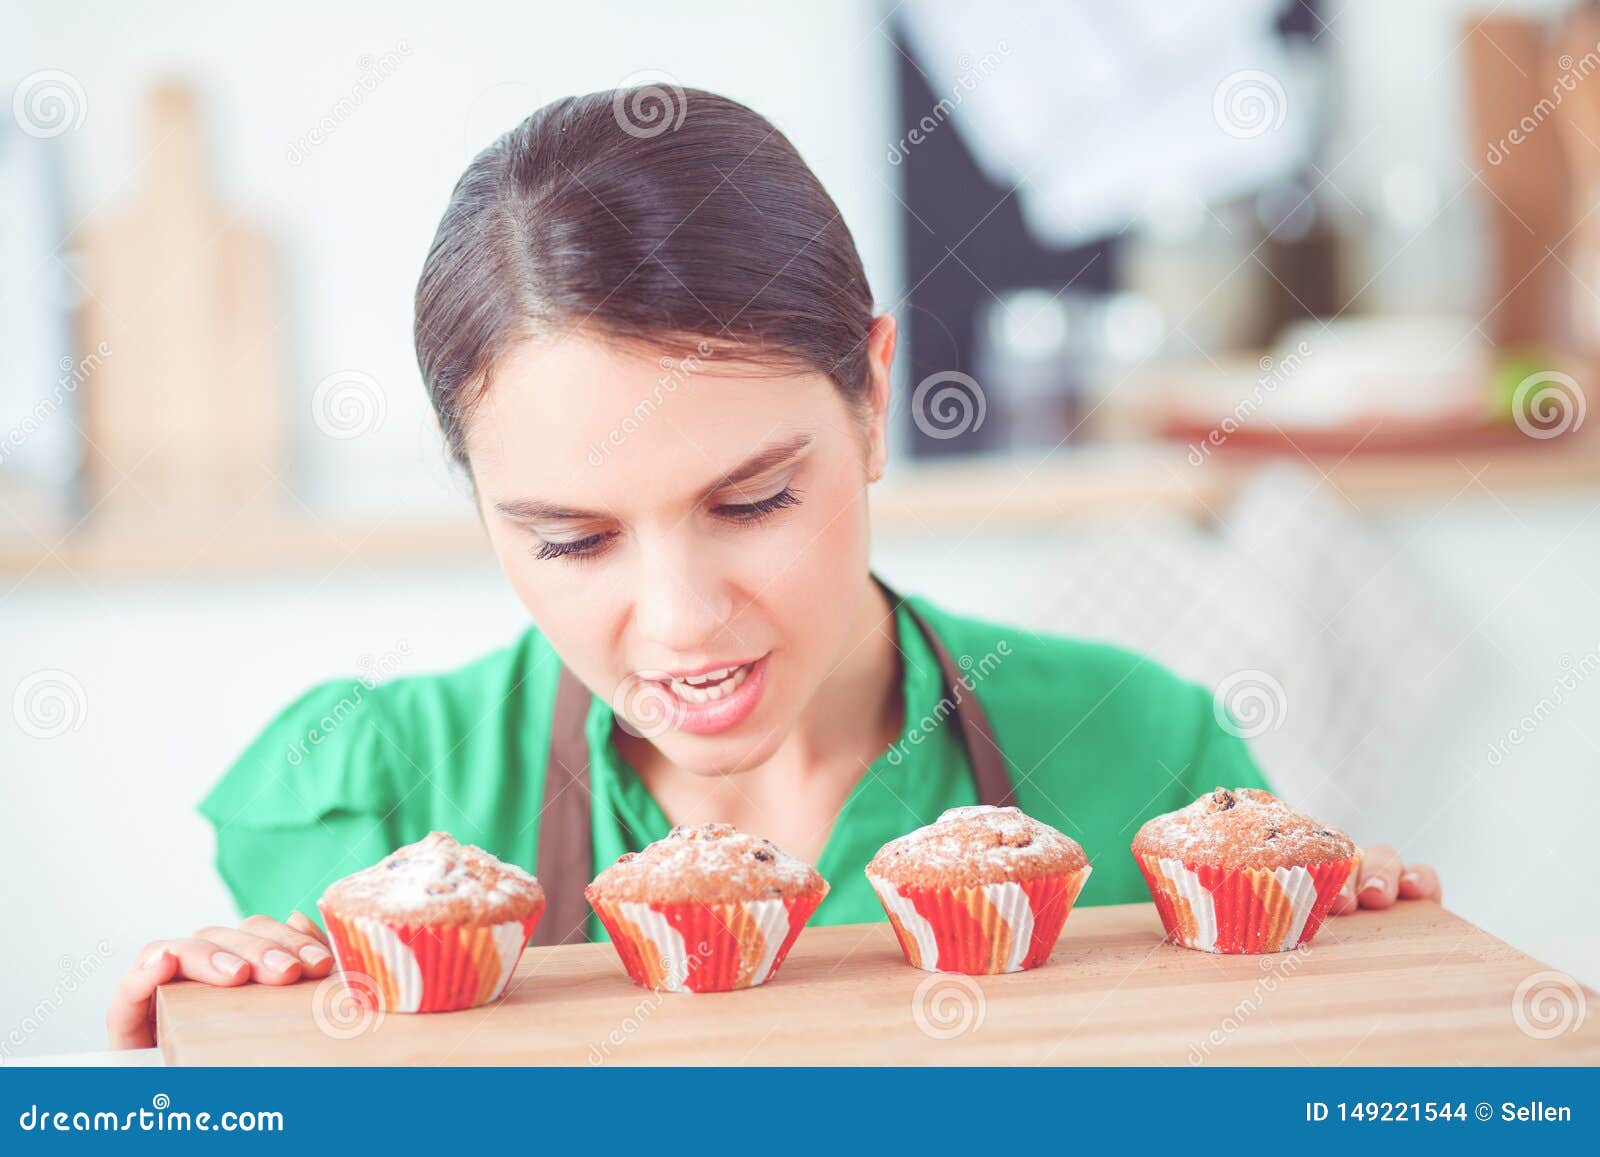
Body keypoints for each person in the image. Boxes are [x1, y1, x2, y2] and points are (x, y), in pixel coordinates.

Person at [107, 88, 1440, 1049]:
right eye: (570, 538)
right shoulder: (371, 800)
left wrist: (1378, 995)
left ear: (871, 393)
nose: (683, 621)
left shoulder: (1138, 751)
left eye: (751, 500)